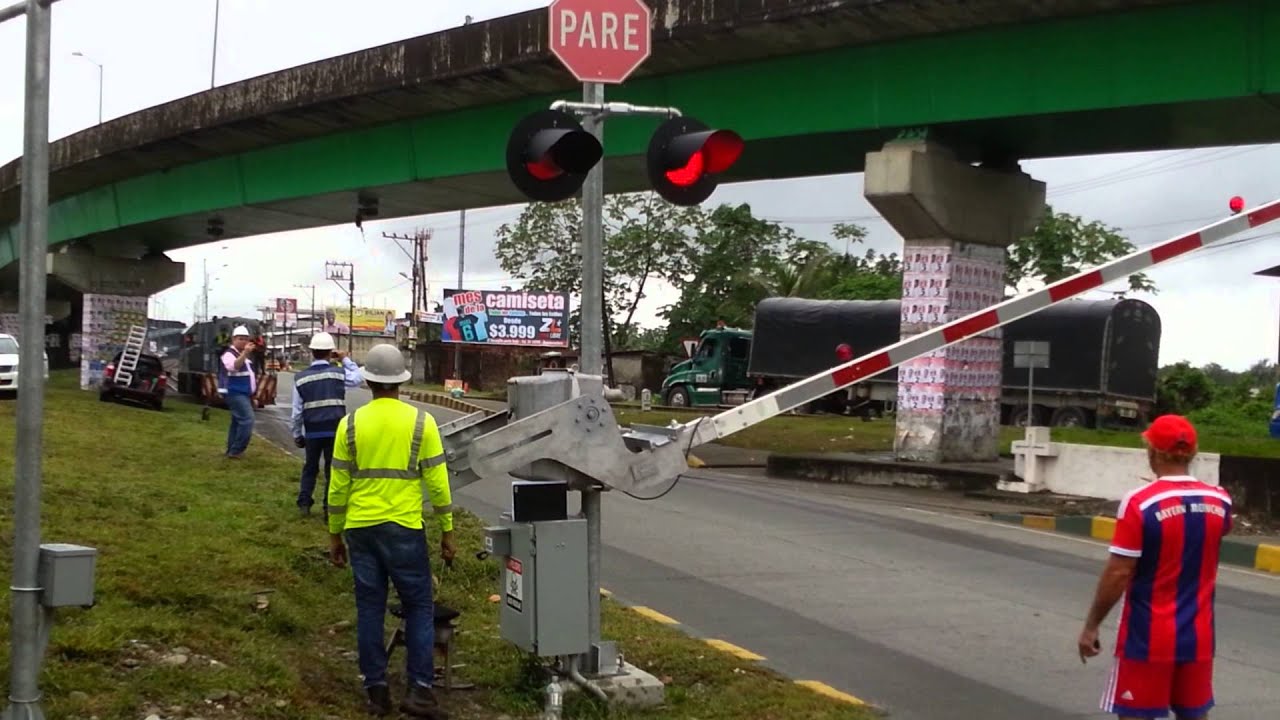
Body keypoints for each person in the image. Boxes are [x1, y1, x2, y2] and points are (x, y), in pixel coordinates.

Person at [327, 344, 455, 719]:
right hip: (403, 528)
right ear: (402, 380)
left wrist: (335, 535)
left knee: (370, 607)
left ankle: (376, 690)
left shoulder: (348, 424)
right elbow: (439, 483)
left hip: (361, 528)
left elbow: (336, 487)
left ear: (366, 380)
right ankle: (419, 689)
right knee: (418, 606)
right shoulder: (422, 422)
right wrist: (448, 531)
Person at [1077, 414, 1232, 720]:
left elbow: (1119, 572)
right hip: (1199, 636)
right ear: (1193, 451)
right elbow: (1214, 533)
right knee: (1195, 714)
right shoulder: (1220, 500)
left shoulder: (1141, 503)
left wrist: (1091, 625)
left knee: (1136, 714)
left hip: (1148, 638)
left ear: (1153, 452)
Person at [290, 332, 363, 518]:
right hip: (335, 431)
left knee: (310, 467)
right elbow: (357, 378)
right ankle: (328, 508)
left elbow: (297, 412)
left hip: (312, 432)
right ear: (330, 352)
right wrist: (345, 359)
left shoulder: (300, 378)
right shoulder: (338, 373)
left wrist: (297, 435)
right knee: (333, 470)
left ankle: (304, 503)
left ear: (312, 351)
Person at [218, 325, 257, 459]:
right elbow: (233, 367)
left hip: (243, 393)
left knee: (237, 422)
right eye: (240, 339)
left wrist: (253, 395)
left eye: (246, 339)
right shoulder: (229, 354)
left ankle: (231, 449)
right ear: (233, 339)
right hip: (234, 392)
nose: (244, 342)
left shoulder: (244, 357)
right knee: (247, 420)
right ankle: (237, 450)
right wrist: (245, 353)